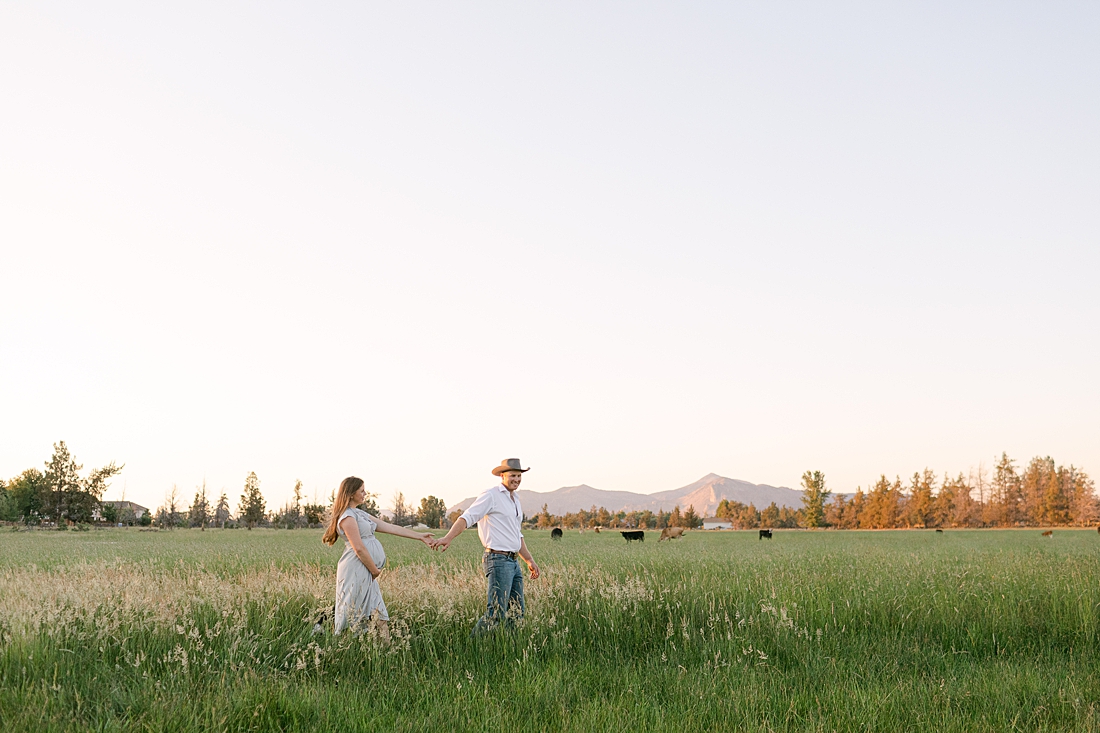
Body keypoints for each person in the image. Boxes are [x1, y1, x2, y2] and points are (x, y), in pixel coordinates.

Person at [321, 476, 436, 638]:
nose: (365, 493)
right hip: (357, 569)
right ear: (351, 493)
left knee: (379, 614)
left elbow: (390, 527)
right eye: (361, 491)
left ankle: (388, 653)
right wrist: (374, 570)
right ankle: (342, 649)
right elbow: (359, 548)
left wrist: (419, 536)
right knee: (352, 613)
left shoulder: (359, 513)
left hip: (367, 571)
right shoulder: (347, 517)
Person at [434, 458, 540, 633]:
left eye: (519, 476)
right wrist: (448, 537)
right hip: (498, 559)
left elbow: (516, 534)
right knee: (496, 613)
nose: (517, 479)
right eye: (513, 475)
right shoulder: (491, 495)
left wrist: (528, 559)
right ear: (502, 475)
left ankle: (511, 649)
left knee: (517, 612)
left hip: (513, 562)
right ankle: (473, 648)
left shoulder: (516, 499)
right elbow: (467, 517)